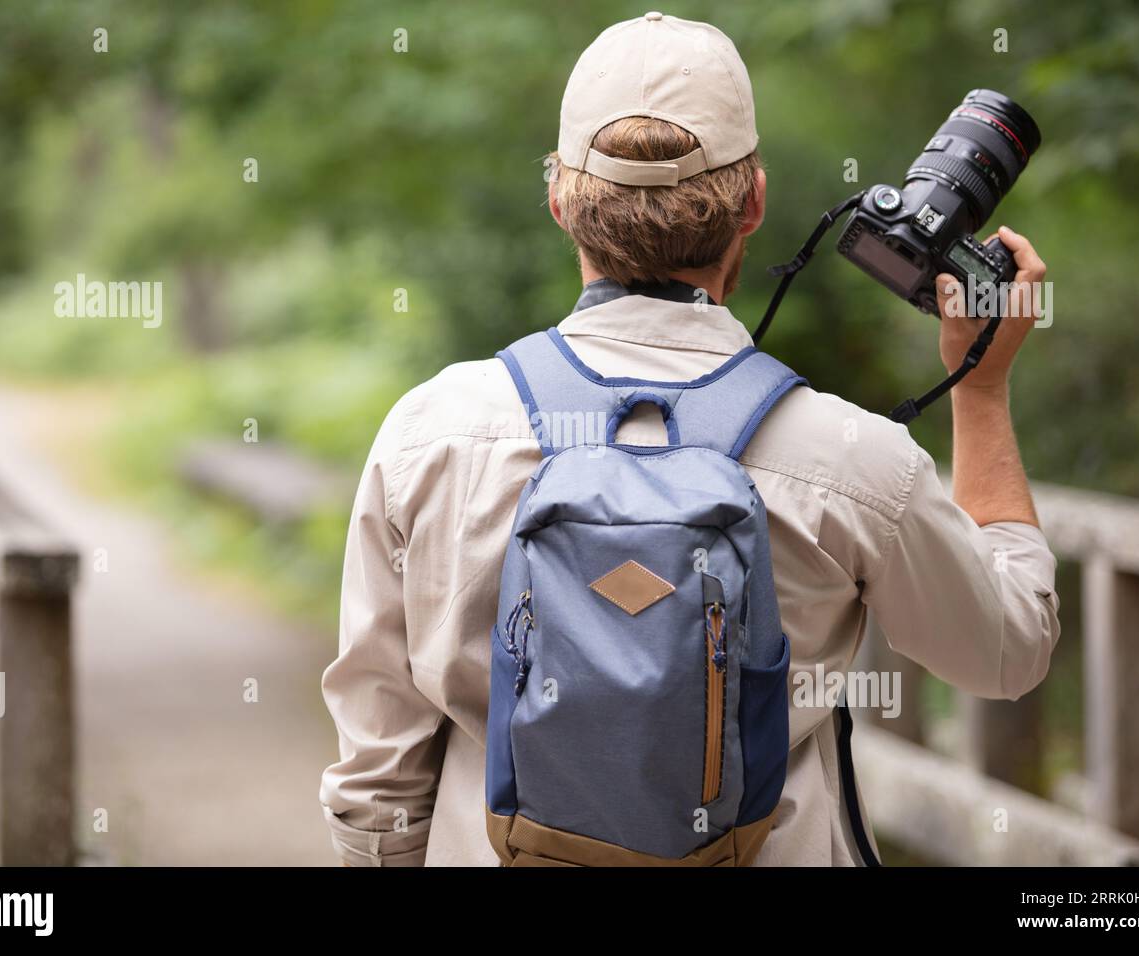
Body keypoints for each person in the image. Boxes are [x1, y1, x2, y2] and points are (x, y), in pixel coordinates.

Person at [320, 12, 1059, 866]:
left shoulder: (432, 432)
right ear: (754, 202)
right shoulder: (853, 463)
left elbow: (377, 783)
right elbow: (1009, 653)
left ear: (560, 198)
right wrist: (983, 388)